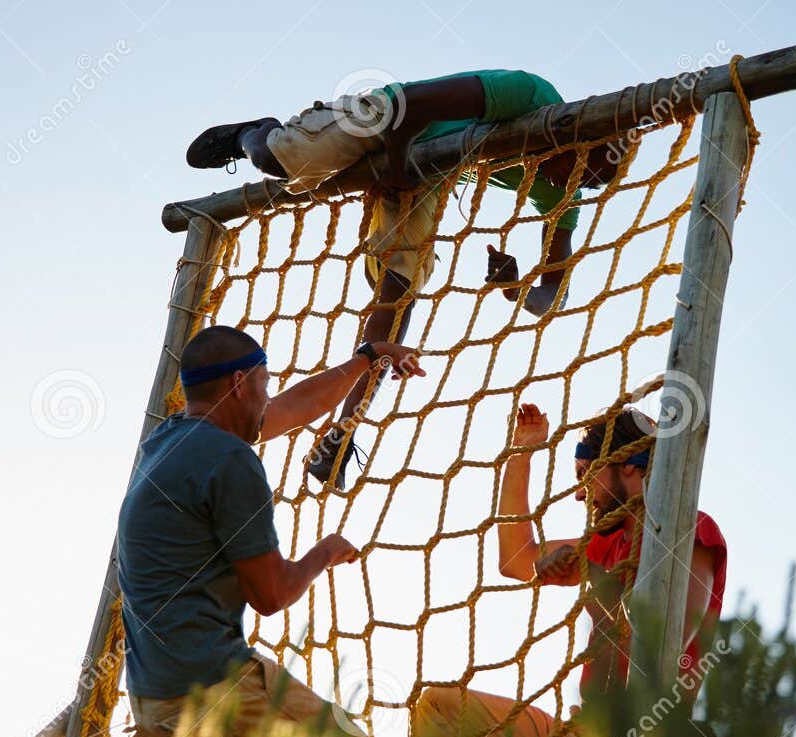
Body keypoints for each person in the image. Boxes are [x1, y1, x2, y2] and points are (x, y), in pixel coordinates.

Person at [186, 71, 625, 489]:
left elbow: (553, 295)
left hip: (433, 169)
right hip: (395, 123)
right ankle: (253, 131)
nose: (575, 185)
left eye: (589, 185)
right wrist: (396, 166)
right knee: (283, 160)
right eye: (579, 170)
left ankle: (342, 434)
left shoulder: (562, 193)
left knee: (400, 293)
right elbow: (412, 104)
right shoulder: (530, 94)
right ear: (576, 135)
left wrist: (515, 288)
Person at [404, 403, 727, 737]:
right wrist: (523, 452)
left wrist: (597, 583)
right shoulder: (605, 542)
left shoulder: (690, 531)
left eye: (587, 474)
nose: (580, 494)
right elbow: (515, 560)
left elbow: (664, 642)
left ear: (630, 468)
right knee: (438, 710)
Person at [117, 323, 422, 737]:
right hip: (205, 691)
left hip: (152, 698)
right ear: (240, 384)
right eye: (264, 383)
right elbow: (271, 596)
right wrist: (325, 552)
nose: (267, 395)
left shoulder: (166, 439)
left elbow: (297, 406)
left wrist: (368, 356)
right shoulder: (231, 461)